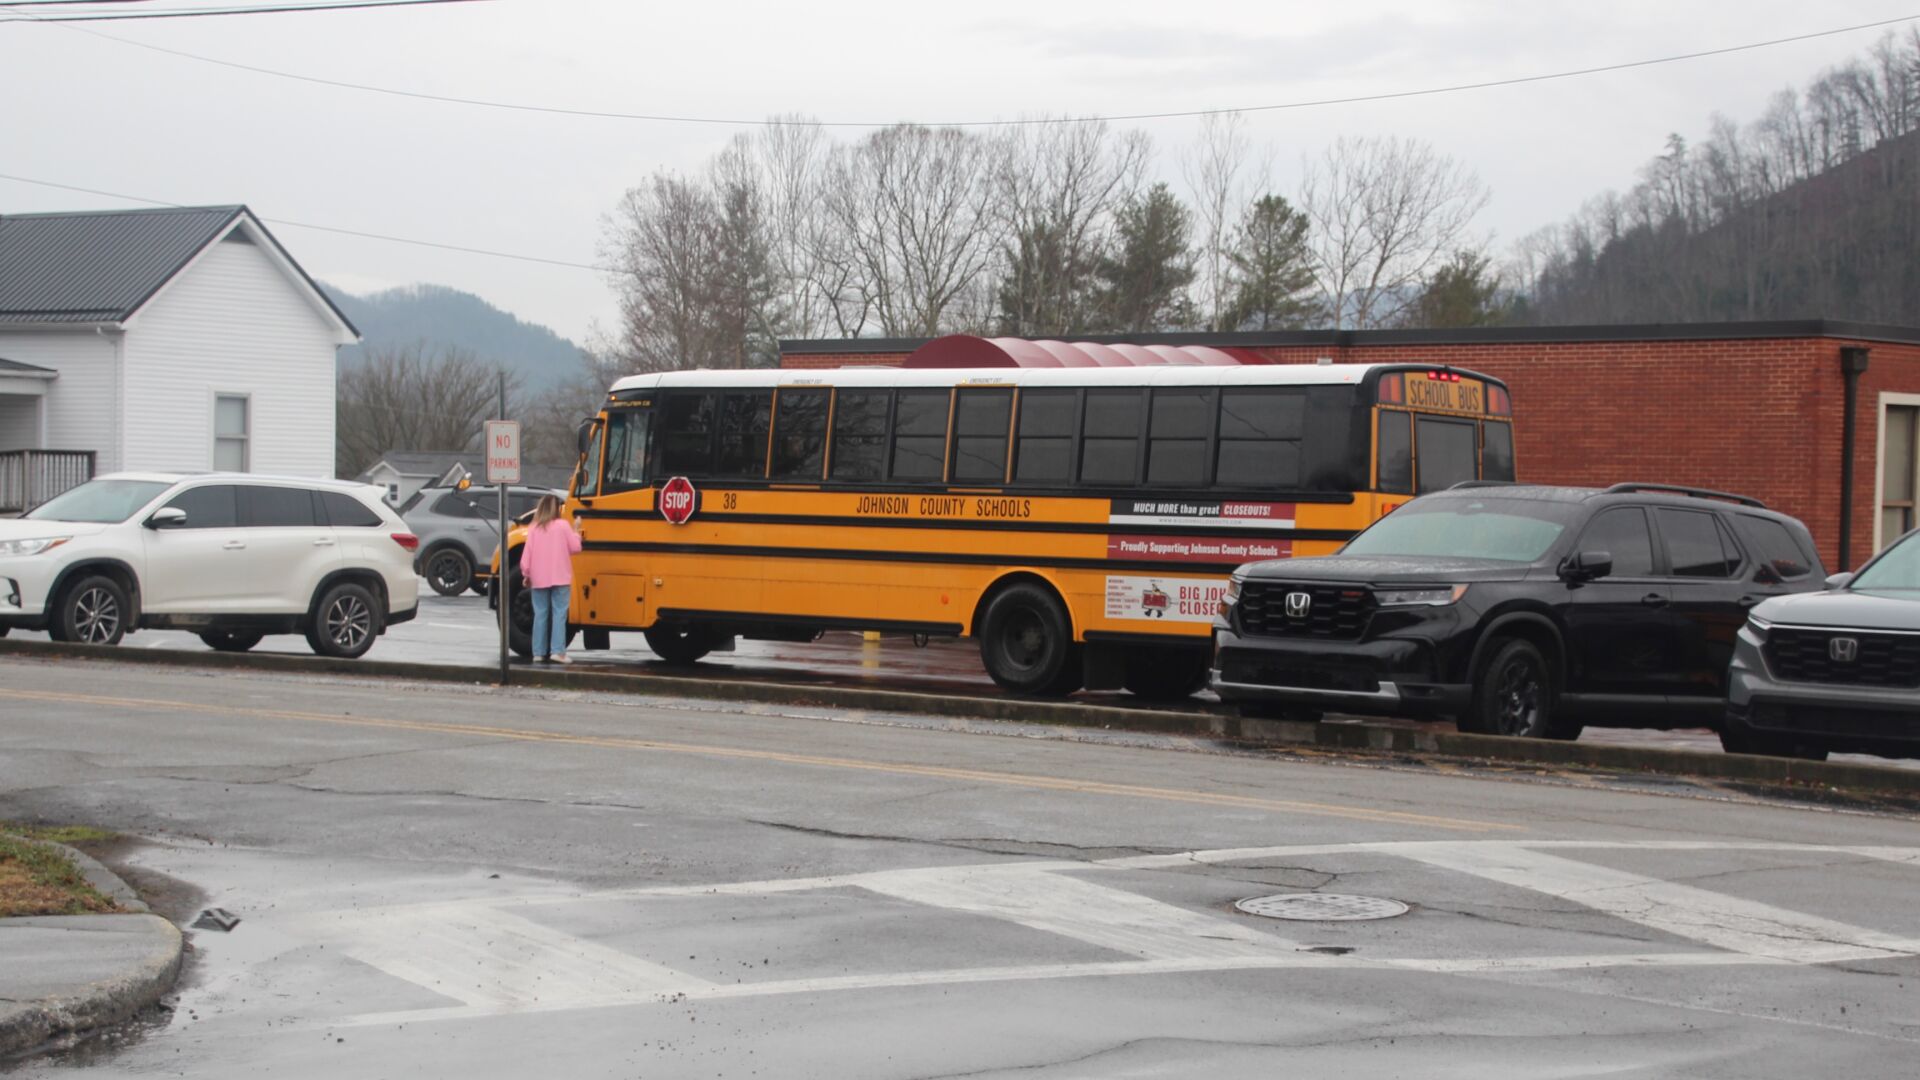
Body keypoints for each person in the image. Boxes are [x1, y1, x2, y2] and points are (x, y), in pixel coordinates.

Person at [520, 494, 582, 663]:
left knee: (540, 614)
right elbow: (576, 548)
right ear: (557, 509)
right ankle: (558, 651)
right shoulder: (563, 526)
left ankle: (538, 653)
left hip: (539, 578)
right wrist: (576, 531)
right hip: (560, 577)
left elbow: (527, 555)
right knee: (559, 614)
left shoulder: (534, 528)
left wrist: (526, 574)